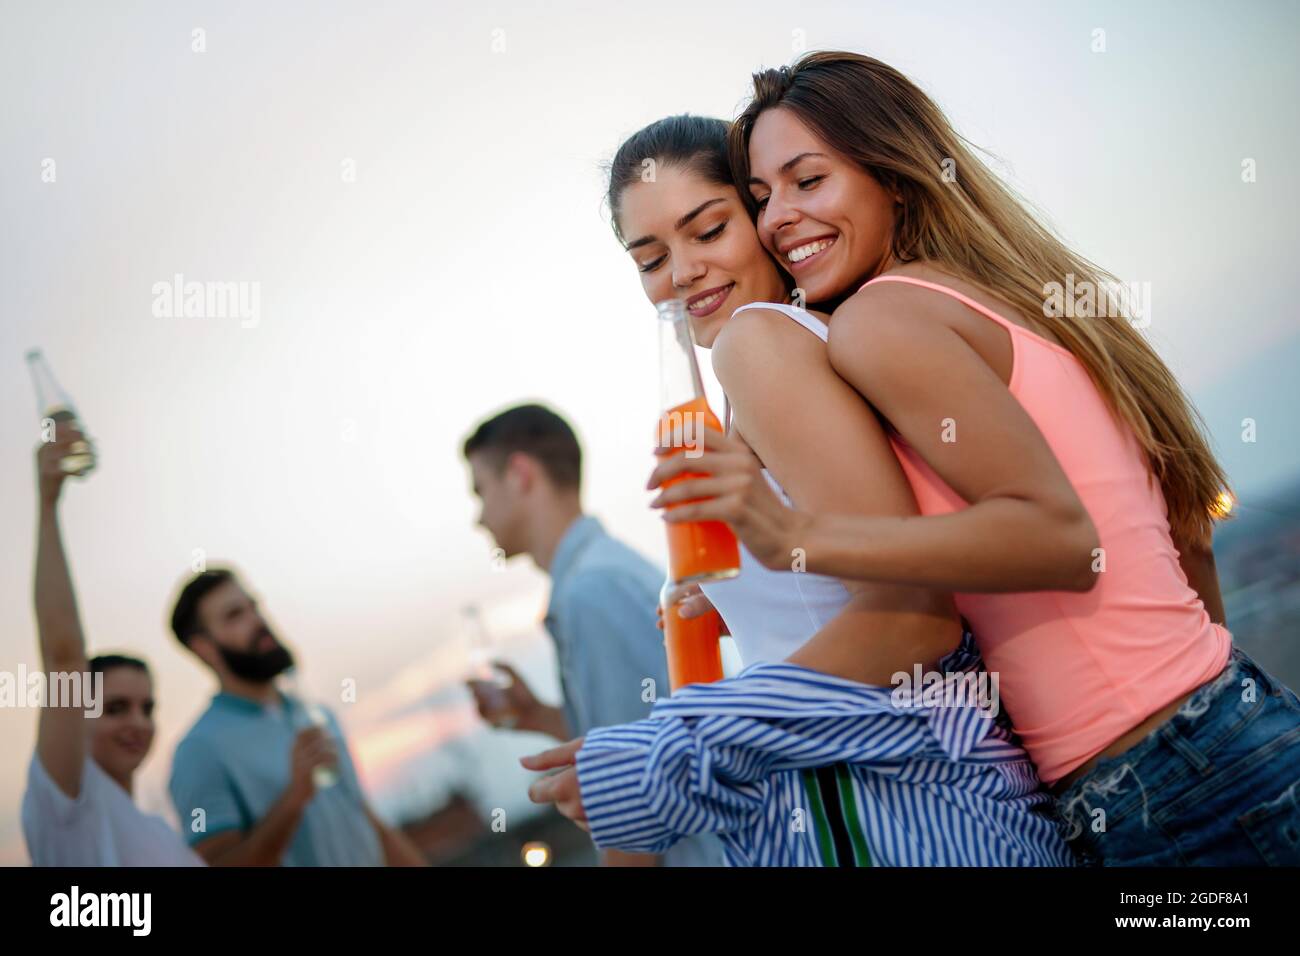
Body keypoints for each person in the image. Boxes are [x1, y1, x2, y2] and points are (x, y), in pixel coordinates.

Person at [647, 51, 1300, 865]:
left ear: (892, 174)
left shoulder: (880, 323)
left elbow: (1064, 542)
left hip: (1162, 785)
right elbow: (1185, 528)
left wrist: (793, 537)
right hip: (1220, 730)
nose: (780, 217)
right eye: (762, 198)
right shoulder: (993, 297)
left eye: (808, 181)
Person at [522, 116, 1073, 866]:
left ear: (760, 218)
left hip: (904, 812)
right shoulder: (778, 360)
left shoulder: (760, 345)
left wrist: (672, 747)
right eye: (649, 258)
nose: (680, 272)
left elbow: (914, 624)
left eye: (707, 230)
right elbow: (843, 591)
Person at [462, 403, 722, 866]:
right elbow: (655, 735)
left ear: (521, 474)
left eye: (480, 490)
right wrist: (542, 717)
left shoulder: (591, 590)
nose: (478, 518)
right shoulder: (602, 573)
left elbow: (635, 802)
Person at [22, 423, 203, 866]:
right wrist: (48, 505)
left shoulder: (160, 831)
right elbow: (63, 654)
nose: (138, 723)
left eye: (147, 707)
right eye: (115, 707)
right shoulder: (67, 809)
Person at [167, 568, 426, 866]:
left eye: (254, 607)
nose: (258, 621)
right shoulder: (199, 750)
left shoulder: (318, 716)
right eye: (235, 615)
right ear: (203, 647)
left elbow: (366, 822)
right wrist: (295, 797)